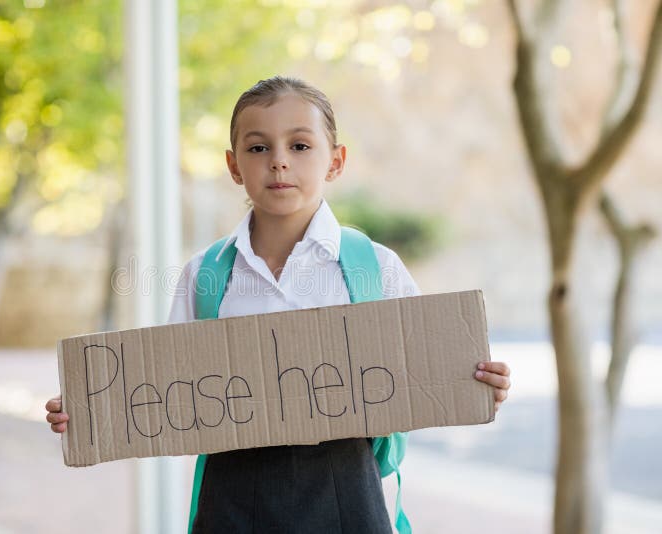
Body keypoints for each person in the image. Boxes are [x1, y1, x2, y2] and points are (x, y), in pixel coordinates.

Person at [45, 75, 511, 533]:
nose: (279, 162)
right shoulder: (205, 275)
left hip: (346, 492)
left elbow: (426, 372)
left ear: (336, 161)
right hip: (232, 497)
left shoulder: (375, 267)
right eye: (258, 147)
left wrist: (476, 379)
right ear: (233, 166)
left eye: (300, 146)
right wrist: (93, 408)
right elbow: (163, 391)